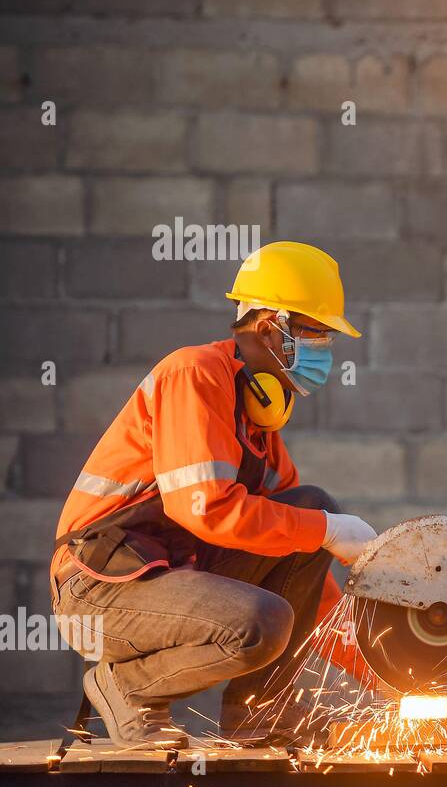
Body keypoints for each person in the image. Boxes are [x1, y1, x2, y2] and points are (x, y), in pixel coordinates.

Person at [49, 241, 377, 748]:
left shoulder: (258, 417)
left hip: (165, 578)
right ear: (271, 326)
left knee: (310, 508)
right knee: (264, 619)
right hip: (98, 590)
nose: (324, 350)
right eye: (316, 333)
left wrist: (385, 666)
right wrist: (327, 531)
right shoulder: (194, 374)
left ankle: (260, 716)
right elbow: (203, 507)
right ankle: (127, 689)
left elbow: (308, 564)